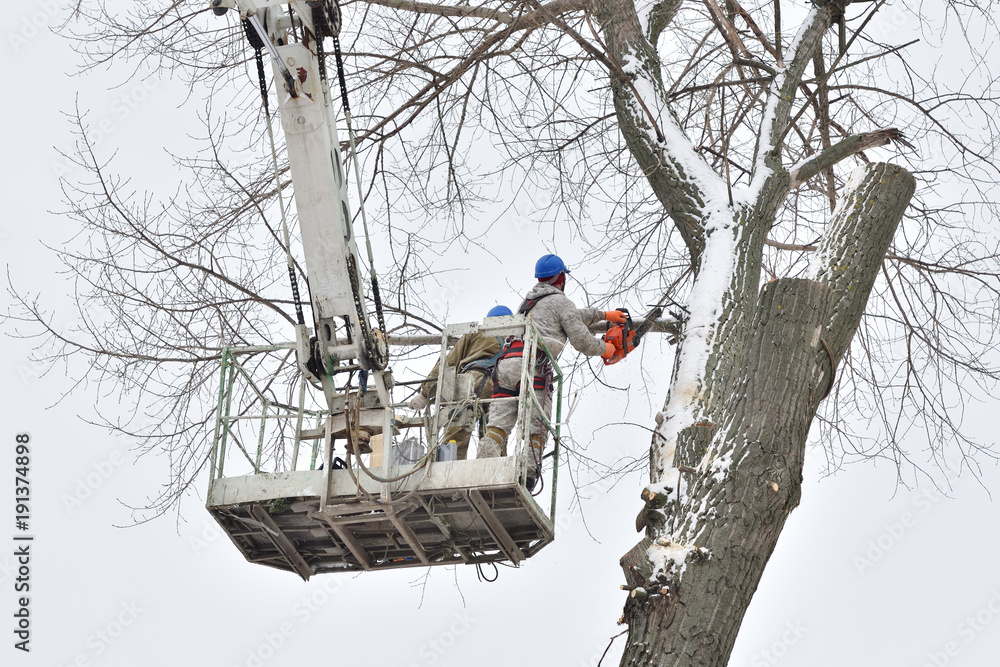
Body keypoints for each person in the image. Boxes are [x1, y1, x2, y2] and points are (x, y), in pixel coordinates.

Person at [482, 254, 624, 488]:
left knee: (498, 424)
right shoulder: (561, 303)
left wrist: (603, 315)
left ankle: (484, 470)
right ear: (561, 278)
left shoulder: (528, 302)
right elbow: (580, 339)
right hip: (532, 366)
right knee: (535, 426)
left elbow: (570, 316)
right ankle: (526, 478)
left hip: (506, 366)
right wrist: (605, 349)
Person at [408, 305, 514, 460]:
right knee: (495, 436)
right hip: (501, 387)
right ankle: (494, 476)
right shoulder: (515, 338)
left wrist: (425, 393)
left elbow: (449, 363)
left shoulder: (477, 332)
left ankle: (448, 471)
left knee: (456, 435)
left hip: (472, 381)